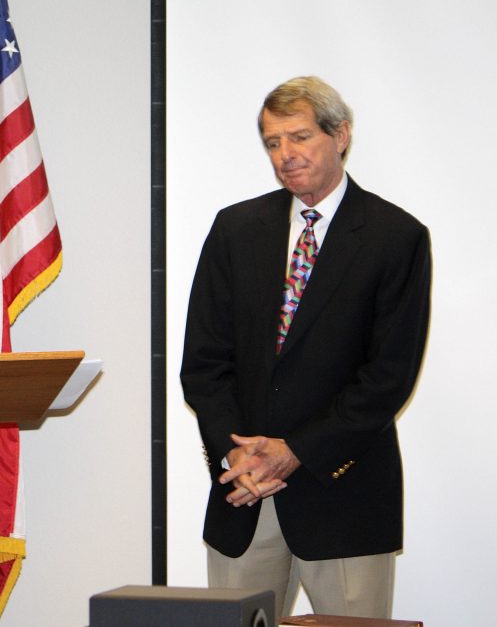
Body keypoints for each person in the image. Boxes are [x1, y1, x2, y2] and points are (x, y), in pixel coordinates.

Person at [180, 76, 431, 619]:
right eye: (273, 143)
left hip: (344, 495)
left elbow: (388, 377)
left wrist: (296, 449)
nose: (285, 156)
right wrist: (235, 454)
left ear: (340, 135)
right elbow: (203, 363)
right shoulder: (235, 229)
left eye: (299, 138)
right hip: (245, 495)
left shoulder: (396, 238)